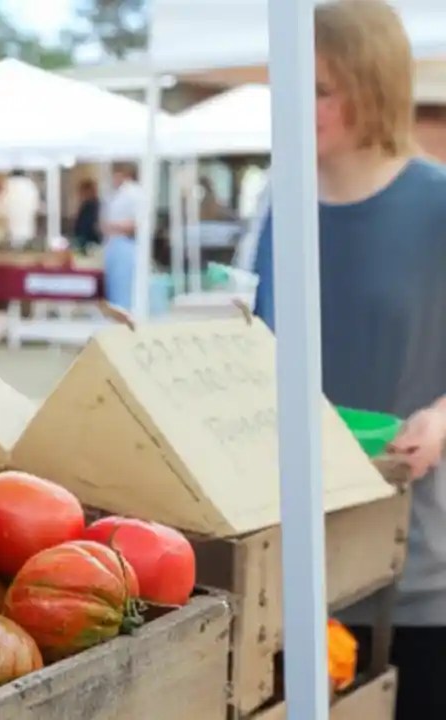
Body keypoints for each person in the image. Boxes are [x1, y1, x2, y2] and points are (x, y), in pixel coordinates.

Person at [250, 2, 446, 716]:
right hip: (288, 561)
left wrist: (441, 417)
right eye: (287, 86)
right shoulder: (278, 208)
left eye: (318, 89)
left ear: (373, 85)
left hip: (416, 564)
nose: (295, 108)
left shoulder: (436, 204)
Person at [100, 163, 145, 310]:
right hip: (113, 244)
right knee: (114, 283)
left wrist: (114, 226)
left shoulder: (134, 193)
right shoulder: (114, 194)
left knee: (126, 284)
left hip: (126, 244)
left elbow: (138, 223)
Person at [72, 179, 102, 252]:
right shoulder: (86, 205)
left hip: (90, 242)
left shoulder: (93, 206)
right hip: (84, 241)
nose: (80, 195)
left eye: (82, 192)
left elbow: (88, 225)